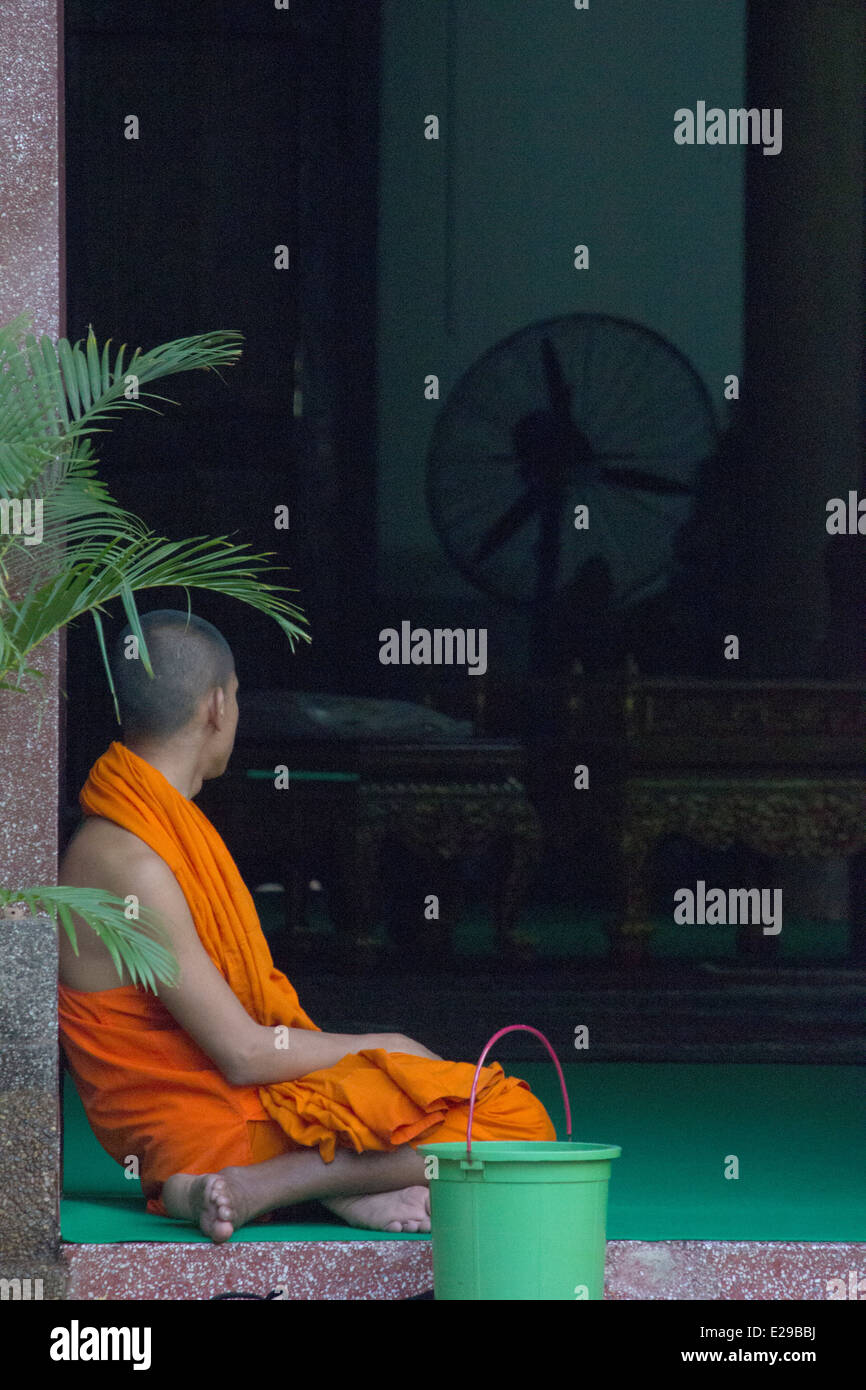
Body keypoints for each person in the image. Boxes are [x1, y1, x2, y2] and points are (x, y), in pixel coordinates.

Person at [58, 610, 555, 1243]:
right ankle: (289, 1181)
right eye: (236, 696)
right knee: (515, 1120)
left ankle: (225, 1187)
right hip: (213, 1122)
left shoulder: (137, 830)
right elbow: (242, 1054)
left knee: (405, 1100)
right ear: (217, 706)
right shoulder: (132, 860)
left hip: (187, 1136)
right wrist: (389, 1044)